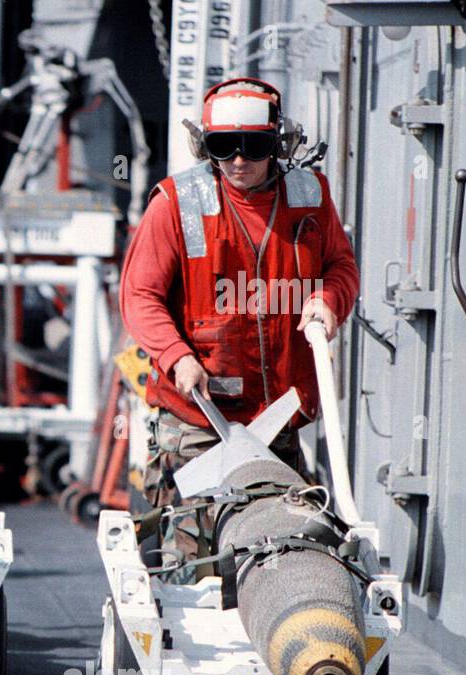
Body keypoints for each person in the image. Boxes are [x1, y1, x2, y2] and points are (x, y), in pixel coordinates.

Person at [119, 77, 360, 576]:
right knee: (196, 562)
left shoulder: (309, 195)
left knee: (282, 551)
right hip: (198, 419)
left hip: (277, 421)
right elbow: (140, 296)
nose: (238, 161)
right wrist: (176, 355)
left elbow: (341, 265)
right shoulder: (175, 203)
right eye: (223, 147)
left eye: (253, 147)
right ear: (205, 146)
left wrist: (327, 300)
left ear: (277, 143)